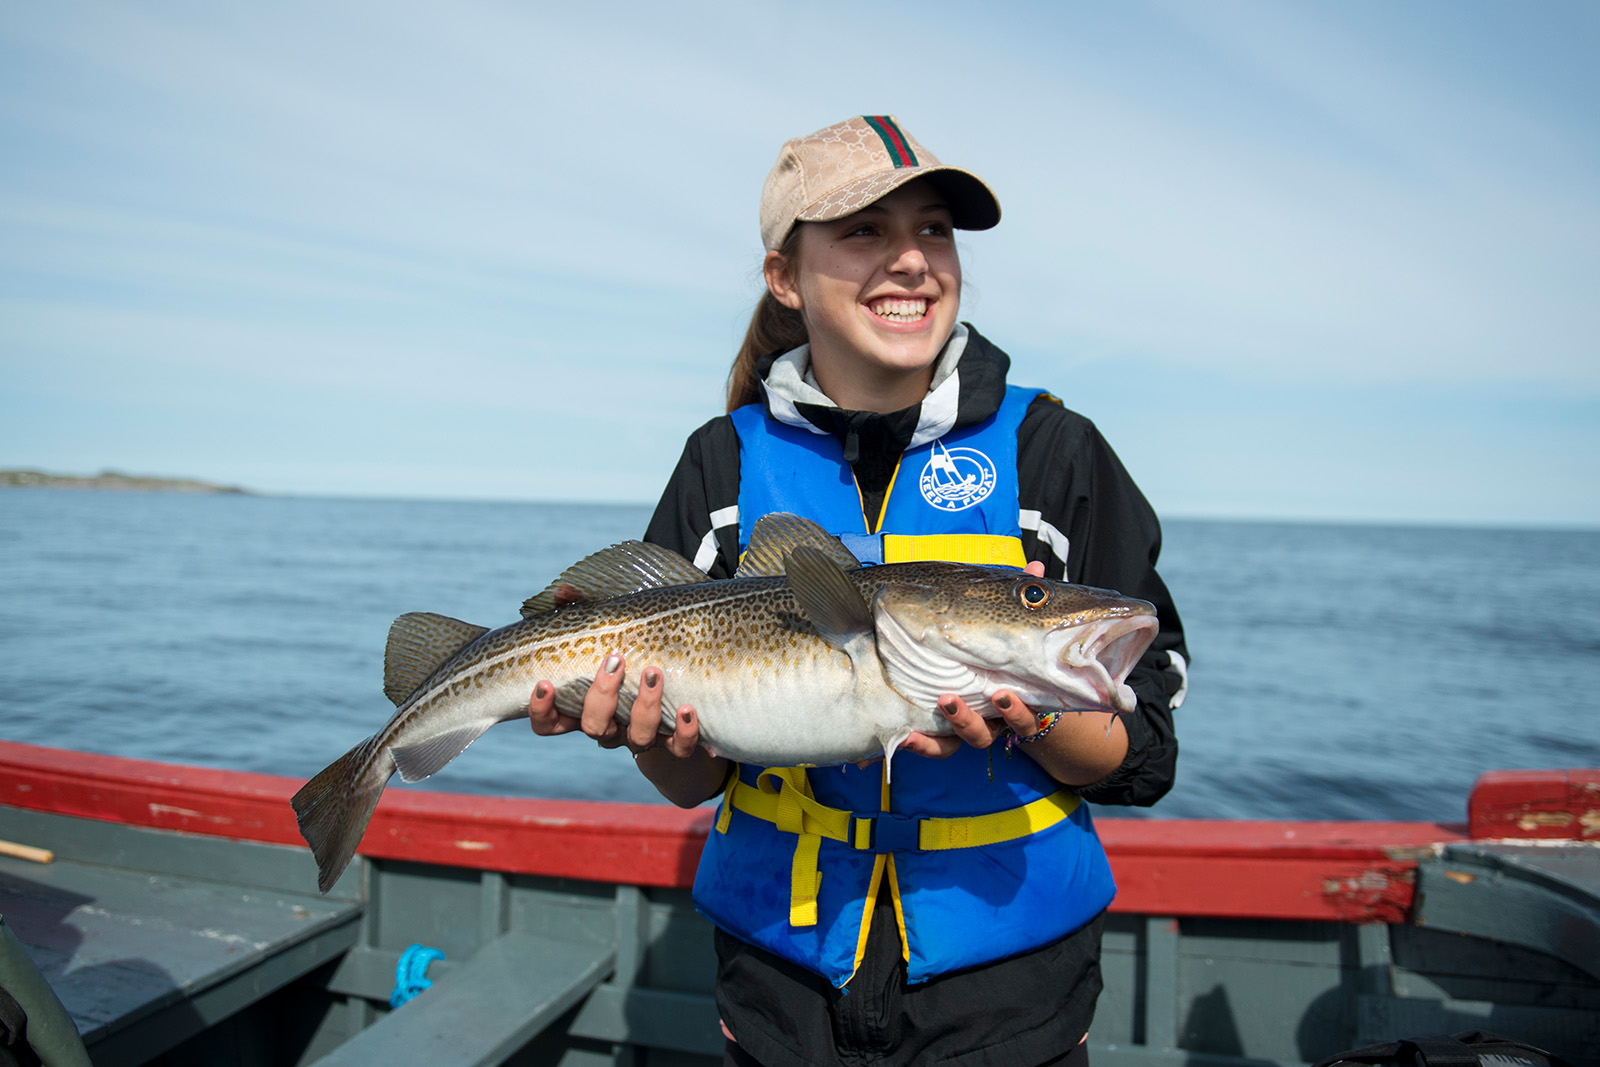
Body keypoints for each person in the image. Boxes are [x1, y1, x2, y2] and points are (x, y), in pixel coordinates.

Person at [529, 115, 1187, 1067]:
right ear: (785, 278)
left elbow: (1147, 751)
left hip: (1008, 998)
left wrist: (1033, 711)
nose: (912, 260)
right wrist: (643, 736)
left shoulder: (1055, 453)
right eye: (865, 233)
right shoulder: (722, 465)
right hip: (780, 988)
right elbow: (690, 779)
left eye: (933, 230)